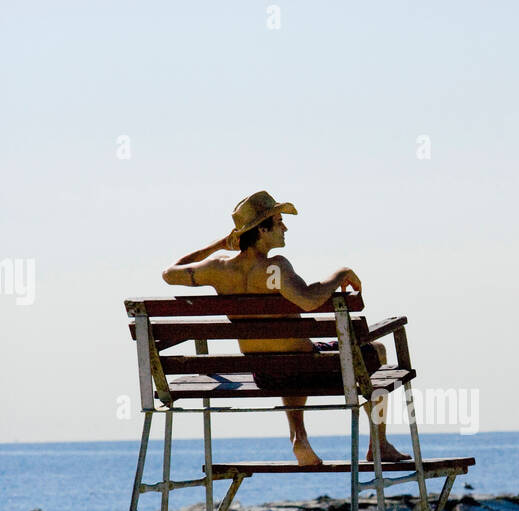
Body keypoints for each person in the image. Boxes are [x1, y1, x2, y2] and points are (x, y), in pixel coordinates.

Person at [161, 190, 408, 468]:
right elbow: (309, 300)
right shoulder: (275, 267)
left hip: (267, 374)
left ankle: (299, 436)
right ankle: (379, 443)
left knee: (289, 358)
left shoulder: (217, 269)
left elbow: (170, 273)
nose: (285, 227)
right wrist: (341, 273)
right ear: (262, 229)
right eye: (279, 222)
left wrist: (218, 245)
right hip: (311, 371)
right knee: (377, 350)